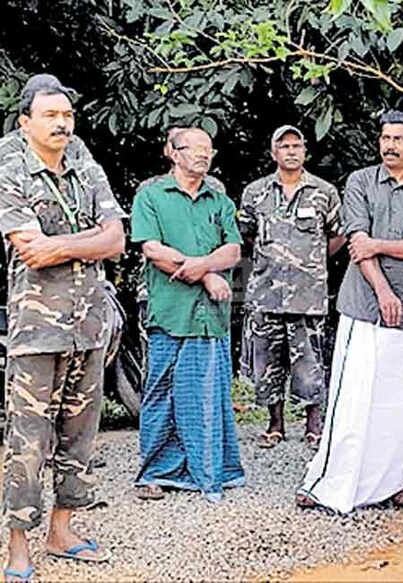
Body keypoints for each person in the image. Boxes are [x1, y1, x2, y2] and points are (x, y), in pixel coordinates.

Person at [0, 74, 123, 579]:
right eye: (50, 116)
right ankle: (17, 547)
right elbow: (26, 244)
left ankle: (62, 529)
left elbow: (115, 238)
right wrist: (84, 239)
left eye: (67, 115)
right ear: (26, 121)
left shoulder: (83, 161)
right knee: (27, 440)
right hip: (36, 328)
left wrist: (62, 245)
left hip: (89, 324)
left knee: (80, 435)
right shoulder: (10, 164)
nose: (61, 124)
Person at [296, 111, 403, 513]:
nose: (390, 145)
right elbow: (355, 242)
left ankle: (393, 480)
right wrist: (382, 290)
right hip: (363, 305)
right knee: (352, 399)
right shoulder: (360, 181)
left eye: (399, 139)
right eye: (385, 138)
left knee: (396, 402)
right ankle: (326, 482)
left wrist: (378, 246)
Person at [131, 127, 245, 502]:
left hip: (210, 315)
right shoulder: (151, 196)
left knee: (208, 393)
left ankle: (211, 471)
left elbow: (233, 250)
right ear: (172, 152)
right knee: (161, 393)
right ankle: (155, 472)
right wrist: (208, 273)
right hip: (169, 310)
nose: (202, 155)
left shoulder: (219, 199)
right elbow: (152, 249)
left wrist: (210, 266)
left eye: (207, 149)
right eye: (193, 148)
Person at [239, 125, 344, 449]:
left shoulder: (324, 192)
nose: (291, 151)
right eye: (284, 146)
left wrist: (312, 260)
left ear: (305, 152)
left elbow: (339, 233)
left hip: (307, 295)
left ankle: (313, 425)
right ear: (274, 153)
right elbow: (246, 232)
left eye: (296, 145)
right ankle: (275, 425)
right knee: (268, 361)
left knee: (310, 361)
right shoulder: (255, 192)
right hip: (266, 292)